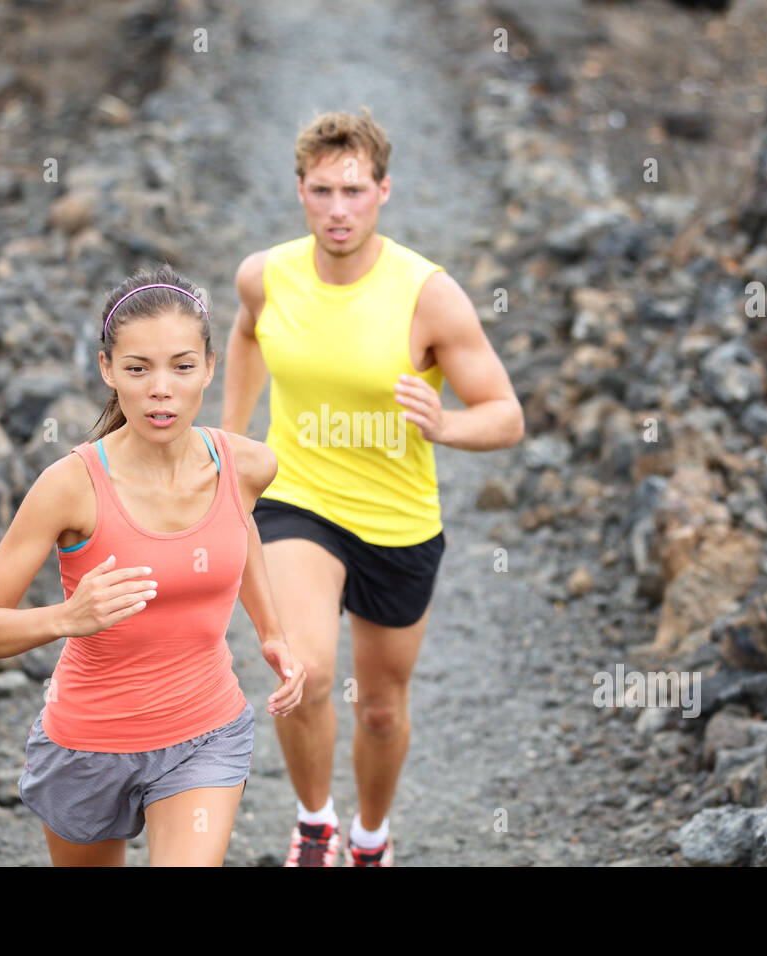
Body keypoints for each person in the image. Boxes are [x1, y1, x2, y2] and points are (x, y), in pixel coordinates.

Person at [220, 108, 525, 866]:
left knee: (382, 710)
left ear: (383, 191)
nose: (337, 210)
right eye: (322, 191)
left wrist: (444, 425)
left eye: (353, 190)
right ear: (299, 192)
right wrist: (232, 437)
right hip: (300, 501)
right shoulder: (266, 274)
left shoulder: (429, 294)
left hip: (398, 519)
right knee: (306, 671)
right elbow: (247, 330)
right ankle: (315, 823)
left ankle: (371, 837)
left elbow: (507, 415)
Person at [0, 266, 306, 866]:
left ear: (210, 367)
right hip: (87, 746)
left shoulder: (247, 466)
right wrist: (68, 616)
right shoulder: (68, 487)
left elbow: (237, 528)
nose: (160, 388)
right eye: (138, 368)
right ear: (107, 370)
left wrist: (272, 632)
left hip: (206, 731)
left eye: (182, 366)